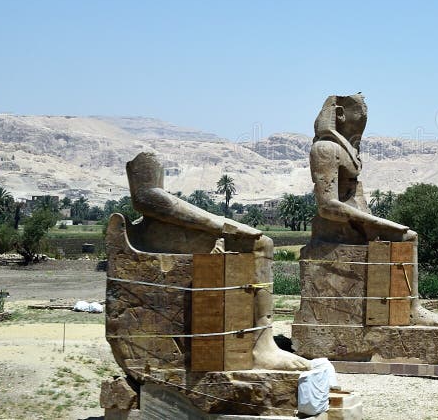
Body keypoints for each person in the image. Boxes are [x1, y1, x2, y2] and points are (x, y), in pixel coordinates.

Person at [125, 152, 308, 370]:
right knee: (260, 244)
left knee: (261, 242)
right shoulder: (145, 158)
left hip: (160, 228)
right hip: (153, 234)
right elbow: (145, 197)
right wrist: (223, 224)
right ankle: (262, 347)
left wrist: (223, 223)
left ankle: (260, 341)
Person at [309, 94, 438, 326]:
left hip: (356, 224)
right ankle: (411, 308)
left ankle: (408, 307)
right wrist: (379, 224)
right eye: (361, 110)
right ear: (340, 114)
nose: (366, 116)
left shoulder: (346, 151)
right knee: (406, 237)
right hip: (338, 229)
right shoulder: (325, 148)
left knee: (406, 236)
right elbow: (327, 206)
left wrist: (375, 222)